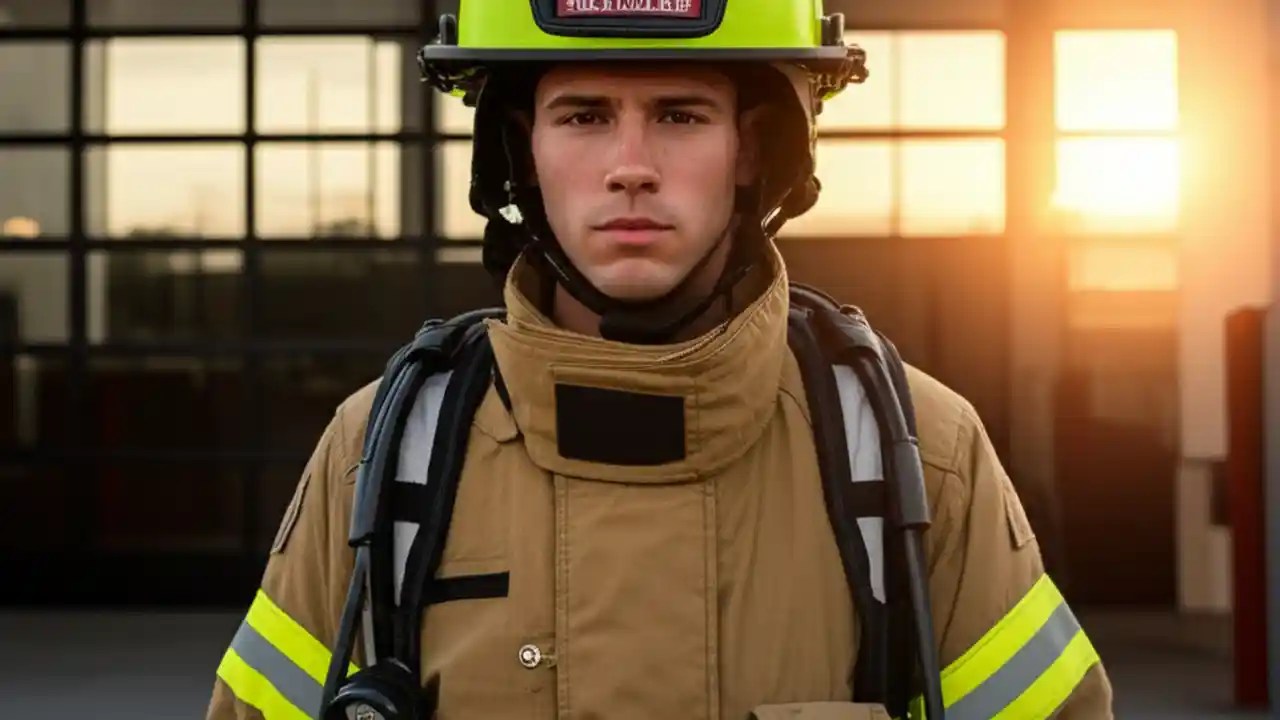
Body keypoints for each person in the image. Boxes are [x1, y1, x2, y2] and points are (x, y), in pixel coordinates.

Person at [206, 1, 1114, 717]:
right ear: (520, 149)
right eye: (585, 115)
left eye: (680, 114)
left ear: (755, 150)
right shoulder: (382, 448)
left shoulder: (918, 449)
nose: (630, 166)